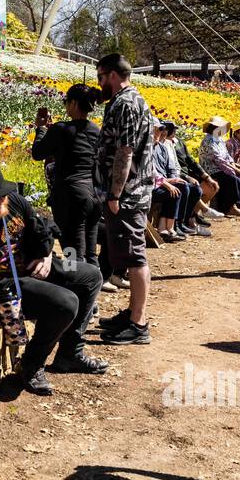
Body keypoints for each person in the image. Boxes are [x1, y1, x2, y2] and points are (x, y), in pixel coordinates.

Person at [0, 163, 108, 399]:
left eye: (2, 193)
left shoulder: (14, 202)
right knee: (66, 303)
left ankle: (70, 353)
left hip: (32, 265)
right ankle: (31, 366)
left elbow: (40, 231)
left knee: (90, 275)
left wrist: (45, 255)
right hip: (2, 284)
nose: (1, 200)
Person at [94, 53, 156, 346]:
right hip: (132, 191)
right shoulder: (130, 101)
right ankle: (132, 312)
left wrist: (115, 193)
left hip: (128, 193)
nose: (99, 83)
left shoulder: (126, 104)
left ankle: (138, 323)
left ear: (114, 76)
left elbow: (125, 150)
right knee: (129, 255)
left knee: (134, 256)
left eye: (101, 77)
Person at [32, 84, 106, 283]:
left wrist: (41, 129)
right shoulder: (95, 130)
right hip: (94, 197)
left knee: (72, 251)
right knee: (90, 252)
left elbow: (38, 153)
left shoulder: (61, 129)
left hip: (71, 197)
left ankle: (78, 292)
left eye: (66, 102)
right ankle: (92, 295)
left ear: (73, 103)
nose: (65, 105)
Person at [152, 120, 209, 242]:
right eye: (157, 130)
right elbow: (150, 172)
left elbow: (171, 167)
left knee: (186, 187)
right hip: (152, 185)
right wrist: (169, 182)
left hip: (163, 181)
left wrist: (175, 178)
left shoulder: (162, 147)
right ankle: (170, 227)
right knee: (178, 190)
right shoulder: (147, 148)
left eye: (162, 130)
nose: (160, 133)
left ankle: (175, 225)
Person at [198, 117, 240, 217]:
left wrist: (234, 167)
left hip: (222, 167)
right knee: (231, 179)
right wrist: (233, 170)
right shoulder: (208, 141)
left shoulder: (219, 140)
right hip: (211, 169)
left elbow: (227, 156)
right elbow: (218, 159)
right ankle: (229, 207)